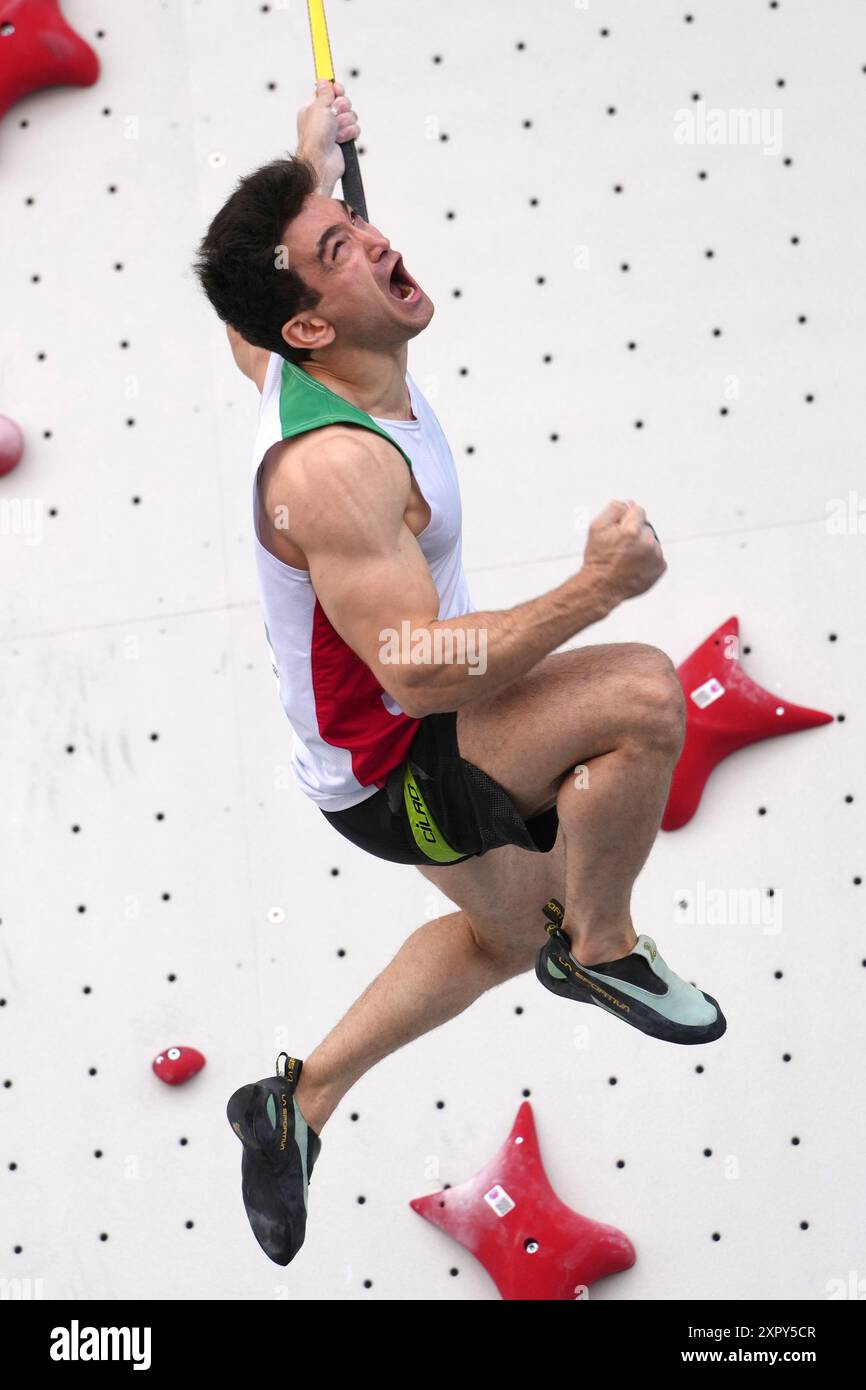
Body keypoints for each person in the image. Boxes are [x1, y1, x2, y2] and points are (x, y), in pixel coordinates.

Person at [195, 80, 725, 1267]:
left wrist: (307, 163)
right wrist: (595, 587)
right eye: (338, 247)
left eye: (352, 225)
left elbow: (246, 318)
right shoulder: (333, 469)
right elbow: (420, 673)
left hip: (369, 756)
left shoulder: (302, 354)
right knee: (641, 692)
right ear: (314, 328)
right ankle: (599, 948)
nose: (376, 238)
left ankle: (294, 1102)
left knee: (495, 939)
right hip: (401, 757)